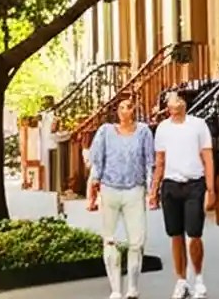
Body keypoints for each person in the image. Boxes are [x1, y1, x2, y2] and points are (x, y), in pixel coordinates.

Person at [87, 96, 155, 299]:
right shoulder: (106, 132)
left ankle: (132, 287)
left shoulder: (143, 131)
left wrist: (151, 190)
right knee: (110, 240)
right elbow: (97, 161)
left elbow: (149, 161)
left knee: (137, 241)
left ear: (135, 110)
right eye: (122, 107)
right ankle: (116, 289)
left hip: (135, 189)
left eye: (130, 107)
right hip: (110, 189)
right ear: (117, 111)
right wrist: (92, 191)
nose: (126, 111)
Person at [149, 91, 215, 299]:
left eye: (178, 99)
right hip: (170, 185)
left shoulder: (198, 125)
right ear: (167, 107)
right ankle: (181, 280)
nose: (175, 103)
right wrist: (154, 189)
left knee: (194, 235)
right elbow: (160, 161)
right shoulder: (163, 129)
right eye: (171, 100)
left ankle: (199, 278)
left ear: (185, 103)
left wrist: (211, 189)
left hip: (194, 184)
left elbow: (208, 157)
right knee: (175, 235)